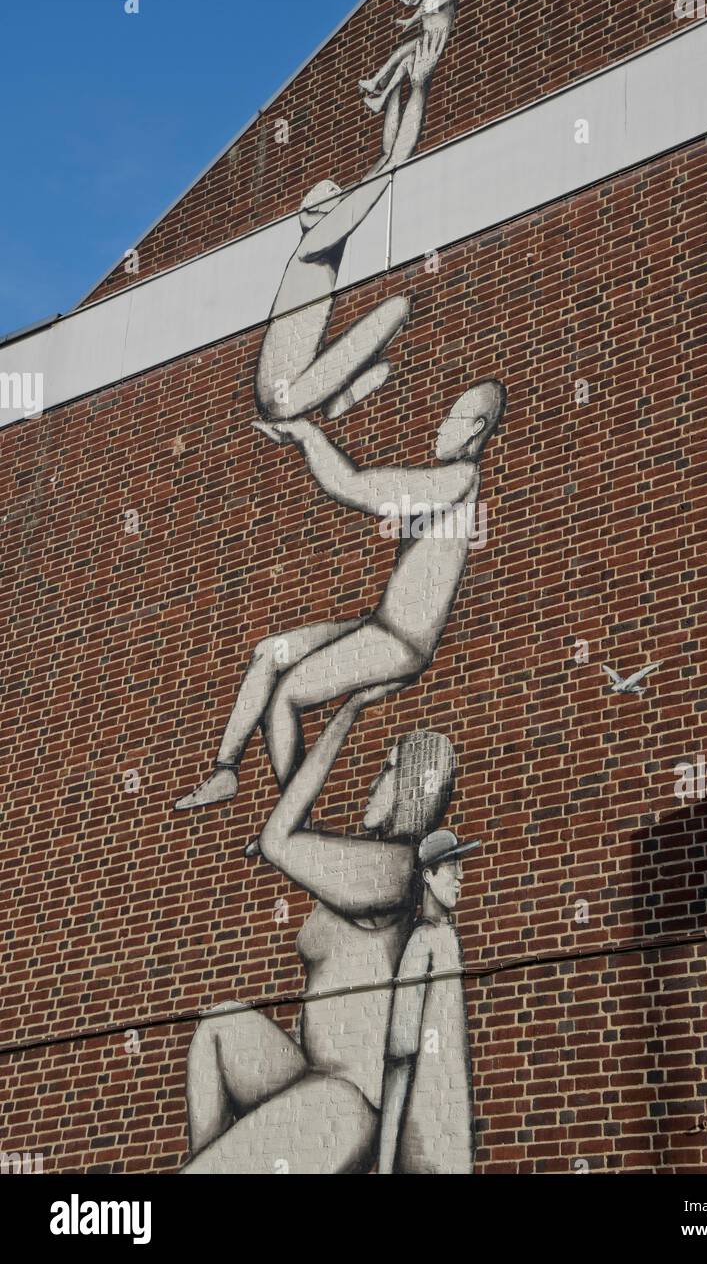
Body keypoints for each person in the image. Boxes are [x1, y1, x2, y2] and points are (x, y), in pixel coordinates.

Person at [174, 380, 505, 813]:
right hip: (380, 626)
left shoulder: (460, 479)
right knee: (269, 654)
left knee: (287, 696)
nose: (439, 428)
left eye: (452, 419)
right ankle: (225, 771)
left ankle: (293, 821)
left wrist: (309, 435)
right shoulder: (446, 483)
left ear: (476, 427)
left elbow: (358, 486)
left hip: (401, 641)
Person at [180, 692, 457, 1175]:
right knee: (220, 1027)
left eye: (388, 770)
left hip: (346, 1099)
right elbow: (290, 828)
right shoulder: (362, 864)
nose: (373, 783)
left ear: (414, 785)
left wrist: (345, 714)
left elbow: (278, 838)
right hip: (312, 1072)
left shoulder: (394, 868)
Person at [254, 24, 448, 426]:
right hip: (282, 396)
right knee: (396, 311)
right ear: (313, 214)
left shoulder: (320, 240)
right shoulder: (313, 245)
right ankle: (334, 399)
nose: (338, 195)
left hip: (294, 385)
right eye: (330, 196)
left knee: (394, 315)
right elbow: (393, 160)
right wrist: (422, 83)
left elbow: (386, 155)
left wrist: (396, 88)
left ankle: (334, 398)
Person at [378, 828, 478, 1174]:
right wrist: (387, 1162)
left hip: (451, 1140)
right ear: (428, 875)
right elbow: (399, 1059)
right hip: (425, 1146)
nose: (461, 876)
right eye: (451, 865)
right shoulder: (422, 943)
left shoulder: (447, 938)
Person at [359, 0, 465, 115]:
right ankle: (380, 96)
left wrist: (439, 3)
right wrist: (409, 21)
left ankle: (376, 84)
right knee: (404, 61)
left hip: (434, 41)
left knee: (401, 52)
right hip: (427, 39)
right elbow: (421, 10)